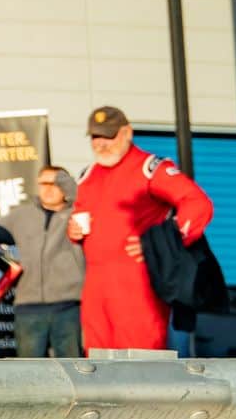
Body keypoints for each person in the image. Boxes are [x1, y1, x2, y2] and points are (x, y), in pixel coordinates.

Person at [70, 107, 213, 352]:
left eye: (109, 136)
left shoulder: (150, 168)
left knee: (140, 358)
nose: (102, 144)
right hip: (96, 283)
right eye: (96, 137)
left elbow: (198, 204)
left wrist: (163, 242)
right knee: (96, 361)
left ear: (127, 133)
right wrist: (73, 230)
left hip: (138, 282)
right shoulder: (88, 176)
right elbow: (81, 218)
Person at [0, 166, 83, 358]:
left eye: (56, 183)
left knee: (73, 370)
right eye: (44, 183)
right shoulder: (21, 216)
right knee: (32, 373)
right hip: (29, 307)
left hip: (69, 306)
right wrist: (4, 265)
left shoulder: (80, 215)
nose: (49, 188)